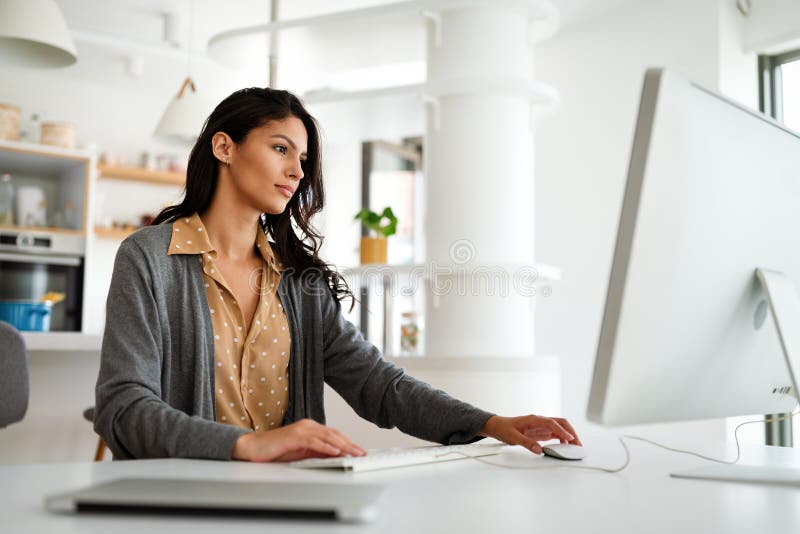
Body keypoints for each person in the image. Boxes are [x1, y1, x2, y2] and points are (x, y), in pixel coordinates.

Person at [94, 87, 581, 462]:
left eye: (302, 159)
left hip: (288, 501)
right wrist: (245, 446)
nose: (297, 171)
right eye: (281, 149)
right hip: (179, 502)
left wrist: (491, 423)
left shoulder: (299, 282)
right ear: (225, 147)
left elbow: (379, 385)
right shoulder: (149, 258)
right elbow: (123, 406)